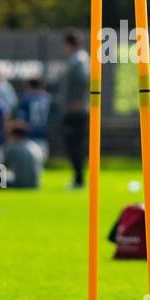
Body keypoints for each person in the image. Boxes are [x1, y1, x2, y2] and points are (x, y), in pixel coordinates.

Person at [57, 32, 90, 189]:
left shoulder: (79, 60)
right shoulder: (77, 59)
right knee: (73, 145)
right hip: (75, 108)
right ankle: (78, 177)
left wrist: (77, 101)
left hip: (76, 109)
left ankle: (79, 179)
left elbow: (82, 81)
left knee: (75, 145)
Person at [17, 77, 53, 163]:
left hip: (30, 131)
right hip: (44, 131)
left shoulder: (26, 98)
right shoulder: (47, 98)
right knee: (41, 159)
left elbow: (21, 117)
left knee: (30, 159)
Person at [3, 121, 43, 188]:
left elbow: (4, 166)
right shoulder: (34, 146)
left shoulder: (14, 147)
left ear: (15, 135)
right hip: (35, 183)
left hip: (19, 183)